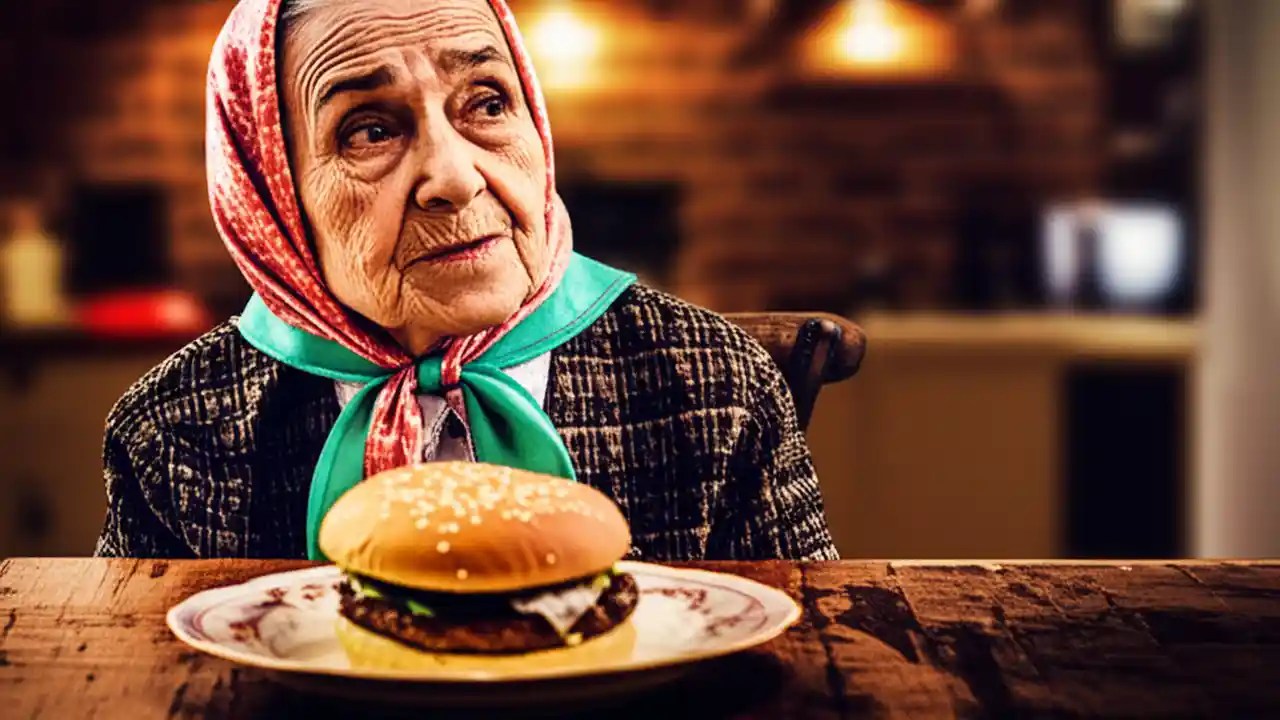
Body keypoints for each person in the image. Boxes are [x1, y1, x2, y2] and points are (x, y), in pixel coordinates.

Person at [95, 0, 838, 562]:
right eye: (370, 130)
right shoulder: (172, 432)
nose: (454, 178)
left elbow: (812, 659)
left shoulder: (718, 384)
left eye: (487, 102)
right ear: (271, 196)